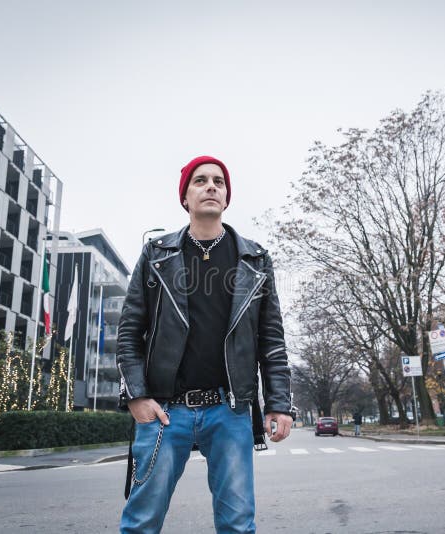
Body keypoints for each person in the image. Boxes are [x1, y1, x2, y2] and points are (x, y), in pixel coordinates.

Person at [117, 155, 293, 533]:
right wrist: (136, 395)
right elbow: (130, 330)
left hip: (229, 410)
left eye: (218, 181)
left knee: (237, 523)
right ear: (185, 197)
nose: (211, 186)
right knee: (141, 521)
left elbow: (272, 339)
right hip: (165, 409)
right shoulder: (157, 255)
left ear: (227, 197)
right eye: (200, 181)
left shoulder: (255, 260)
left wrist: (279, 403)